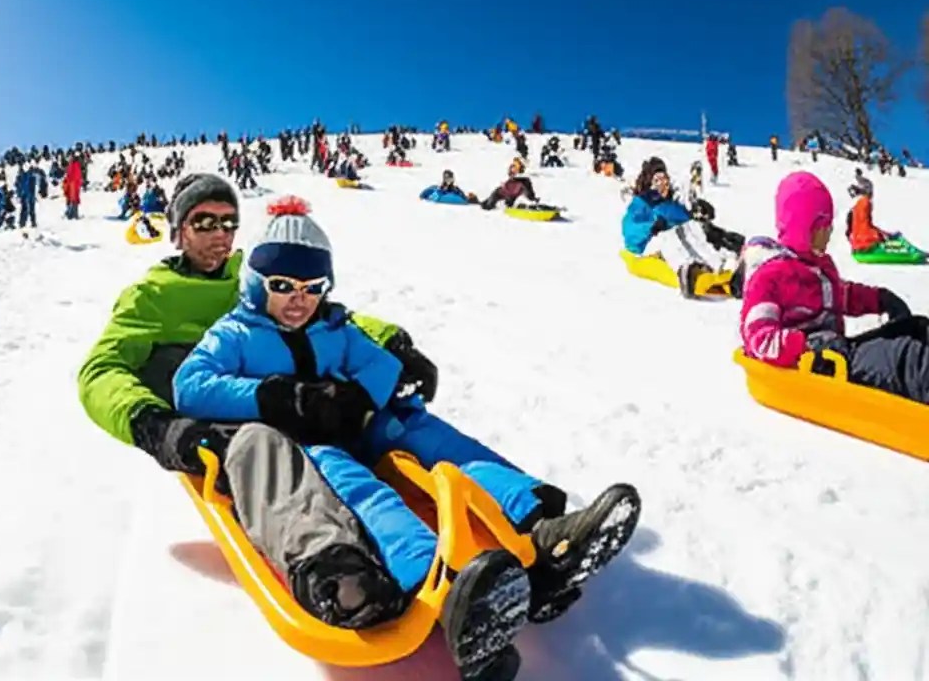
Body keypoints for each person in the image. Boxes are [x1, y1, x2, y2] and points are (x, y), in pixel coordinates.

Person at [77, 173, 640, 681]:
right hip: (246, 423)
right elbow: (103, 371)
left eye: (228, 221)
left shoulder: (265, 271)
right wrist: (152, 422)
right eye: (203, 222)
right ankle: (414, 576)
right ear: (177, 231)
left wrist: (390, 348)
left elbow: (331, 317)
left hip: (329, 410)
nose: (219, 234)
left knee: (419, 432)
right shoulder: (153, 298)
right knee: (335, 477)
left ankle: (541, 527)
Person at [739, 172, 927, 403]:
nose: (829, 232)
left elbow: (843, 295)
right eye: (822, 226)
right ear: (802, 228)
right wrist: (805, 345)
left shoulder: (816, 267)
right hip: (815, 367)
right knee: (906, 357)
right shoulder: (769, 277)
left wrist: (880, 299)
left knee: (917, 329)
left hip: (838, 351)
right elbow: (759, 339)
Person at [622, 163, 740, 297]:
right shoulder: (641, 204)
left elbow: (685, 219)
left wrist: (700, 213)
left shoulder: (670, 203)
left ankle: (722, 268)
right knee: (671, 236)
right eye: (657, 180)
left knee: (691, 231)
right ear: (649, 183)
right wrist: (651, 227)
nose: (663, 184)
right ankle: (689, 273)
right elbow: (630, 231)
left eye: (665, 178)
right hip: (646, 251)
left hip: (676, 247)